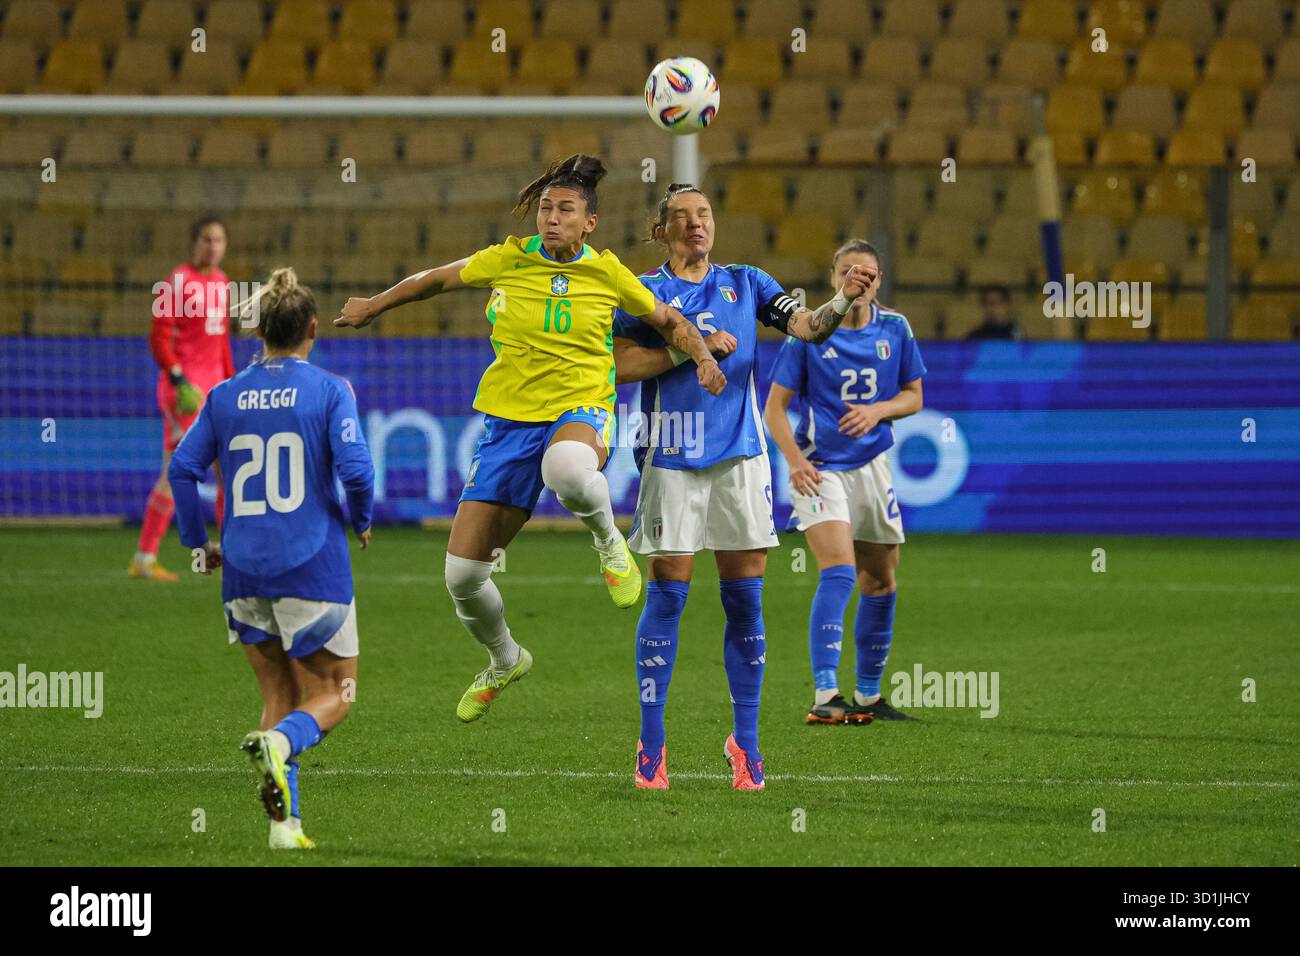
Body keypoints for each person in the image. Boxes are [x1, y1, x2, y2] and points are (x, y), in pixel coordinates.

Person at [333, 154, 723, 724]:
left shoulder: (608, 272)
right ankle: (504, 658)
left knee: (567, 470)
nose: (551, 217)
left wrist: (704, 355)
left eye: (566, 209)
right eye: (546, 208)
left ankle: (607, 543)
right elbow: (434, 279)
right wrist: (374, 305)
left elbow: (667, 320)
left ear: (589, 222)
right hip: (508, 425)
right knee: (463, 578)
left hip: (580, 408)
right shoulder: (508, 259)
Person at [612, 184, 873, 790]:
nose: (695, 225)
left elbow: (807, 328)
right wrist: (689, 354)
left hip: (740, 458)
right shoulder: (645, 291)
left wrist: (839, 300)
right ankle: (652, 746)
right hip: (670, 455)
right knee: (668, 597)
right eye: (681, 217)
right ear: (662, 231)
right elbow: (619, 364)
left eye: (703, 215)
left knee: (744, 601)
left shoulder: (747, 282)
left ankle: (746, 743)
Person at [169, 267, 374, 850]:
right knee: (339, 692)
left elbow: (183, 469)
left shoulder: (223, 395)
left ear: (258, 330)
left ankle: (285, 828)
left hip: (241, 569)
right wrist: (360, 518)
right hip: (311, 563)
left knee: (279, 700)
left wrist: (197, 543)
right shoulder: (330, 389)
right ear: (313, 327)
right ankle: (281, 747)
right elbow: (357, 471)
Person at [763, 240, 926, 725]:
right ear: (834, 278)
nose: (861, 280)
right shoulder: (809, 334)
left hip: (873, 467)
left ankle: (870, 695)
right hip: (821, 467)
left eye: (870, 274)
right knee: (838, 571)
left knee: (880, 579)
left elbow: (914, 397)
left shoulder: (896, 328)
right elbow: (774, 407)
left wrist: (879, 409)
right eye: (850, 272)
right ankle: (825, 692)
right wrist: (793, 461)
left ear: (879, 281)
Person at [129, 216, 234, 581]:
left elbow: (221, 345)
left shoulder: (222, 283)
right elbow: (159, 339)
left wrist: (231, 384)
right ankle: (144, 556)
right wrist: (178, 379)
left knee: (227, 471)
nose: (213, 246)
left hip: (215, 393)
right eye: (207, 239)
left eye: (219, 240)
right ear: (194, 242)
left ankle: (232, 551)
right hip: (184, 393)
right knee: (177, 473)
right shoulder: (177, 281)